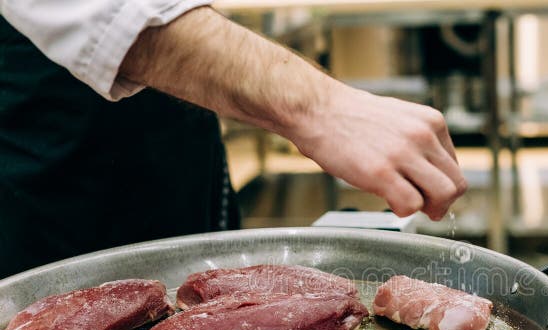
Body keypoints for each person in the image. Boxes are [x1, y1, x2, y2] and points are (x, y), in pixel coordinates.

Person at [0, 3, 466, 278]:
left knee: (194, 315)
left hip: (168, 146)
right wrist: (320, 106)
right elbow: (111, 17)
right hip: (46, 167)